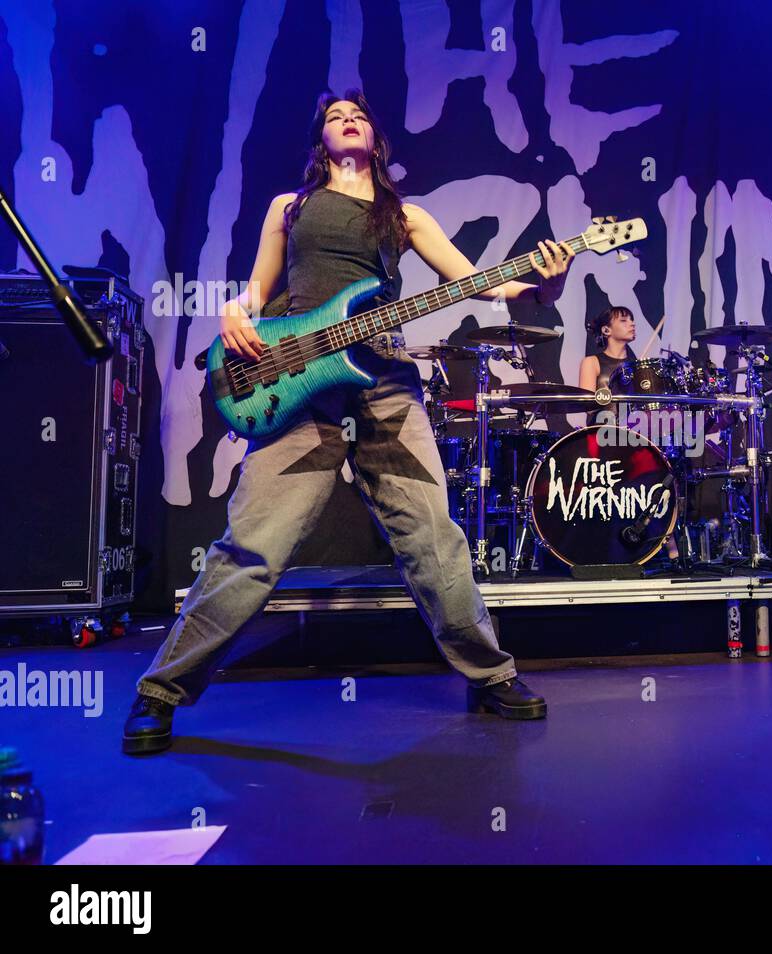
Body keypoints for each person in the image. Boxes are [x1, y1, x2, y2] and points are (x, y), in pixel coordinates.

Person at [123, 89, 574, 754]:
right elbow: (258, 288)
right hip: (296, 378)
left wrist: (543, 284)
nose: (347, 119)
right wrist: (236, 310)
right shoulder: (291, 206)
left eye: (358, 113)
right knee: (254, 544)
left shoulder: (404, 214)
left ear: (375, 136)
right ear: (321, 143)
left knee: (431, 536)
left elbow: (479, 283)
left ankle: (489, 675)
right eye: (334, 116)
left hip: (382, 376)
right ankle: (160, 692)